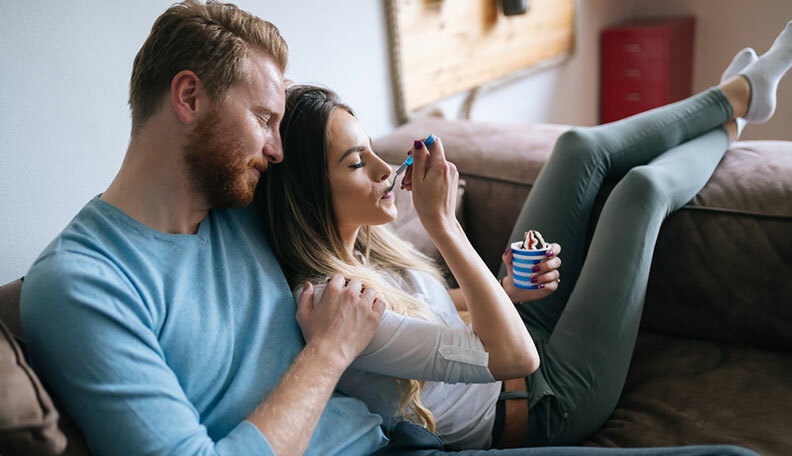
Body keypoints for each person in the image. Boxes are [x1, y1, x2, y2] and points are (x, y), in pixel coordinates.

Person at [262, 22, 792, 452]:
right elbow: (517, 359)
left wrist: (505, 288)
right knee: (640, 193)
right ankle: (734, 114)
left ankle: (737, 103)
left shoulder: (365, 247)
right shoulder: (340, 310)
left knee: (577, 151)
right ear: (308, 194)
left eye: (375, 149)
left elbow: (429, 310)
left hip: (509, 331)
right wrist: (442, 225)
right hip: (542, 398)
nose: (384, 169)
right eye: (358, 163)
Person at [19, 2, 388, 455]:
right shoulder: (82, 284)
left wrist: (269, 101)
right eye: (264, 120)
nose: (277, 150)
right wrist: (328, 351)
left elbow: (325, 146)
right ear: (189, 97)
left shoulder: (239, 200)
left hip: (399, 437)